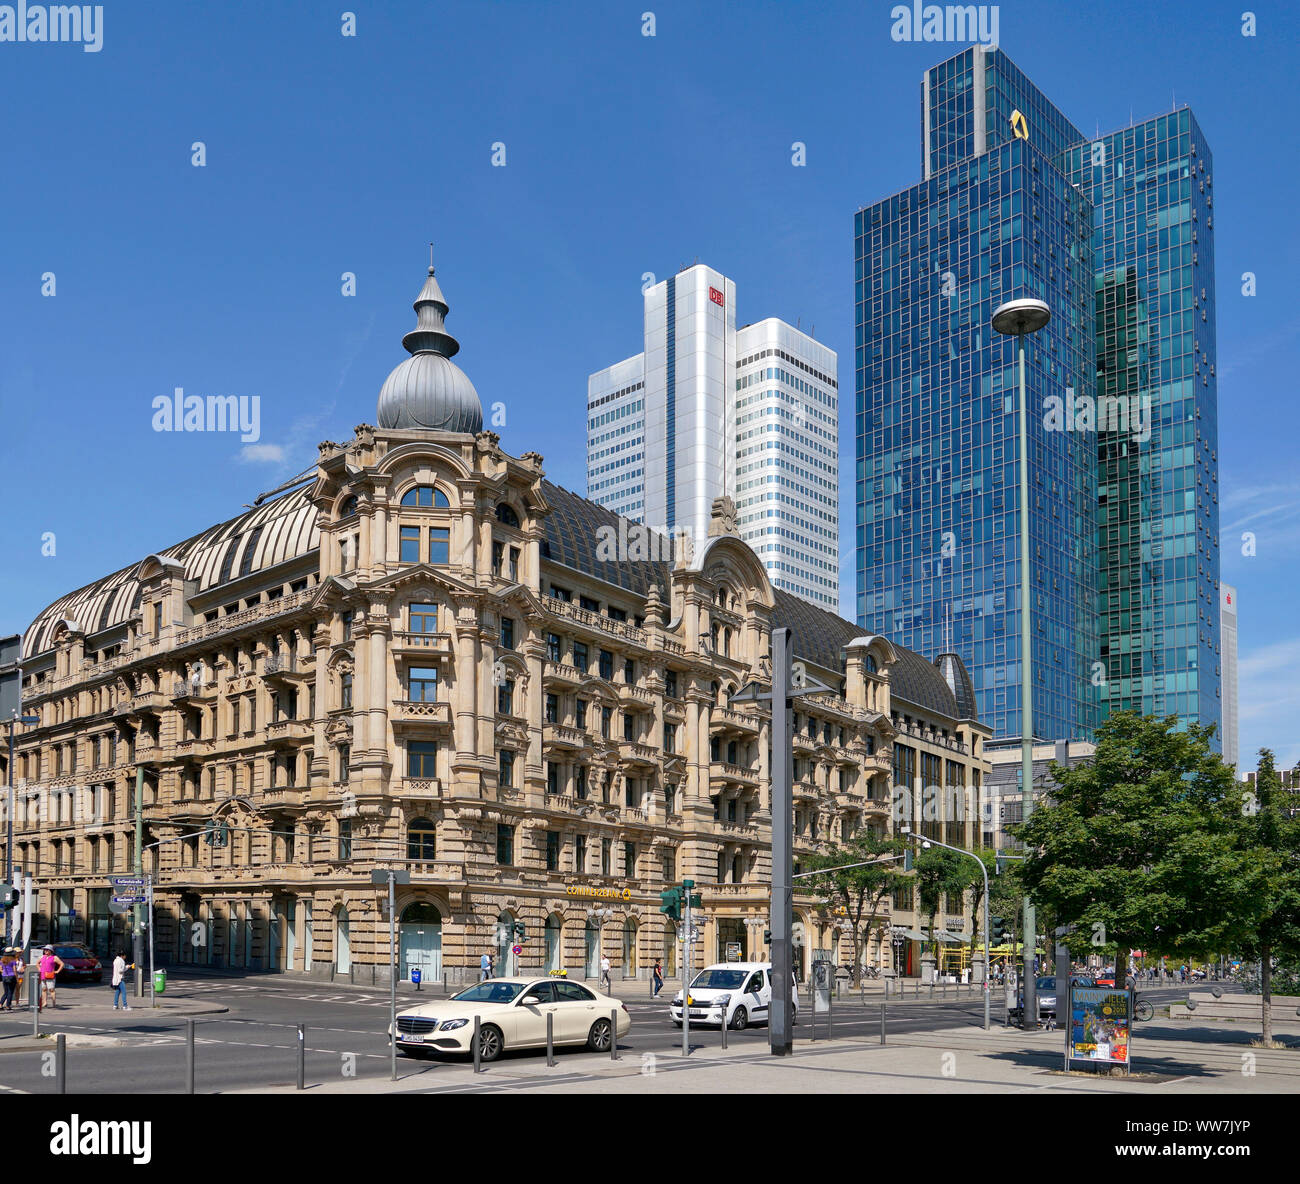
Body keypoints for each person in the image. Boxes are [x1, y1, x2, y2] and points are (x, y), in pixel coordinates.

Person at [38, 945, 65, 1010]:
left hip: (50, 975)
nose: (45, 951)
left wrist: (57, 971)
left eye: (47, 950)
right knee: (44, 989)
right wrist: (39, 969)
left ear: (50, 951)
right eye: (45, 950)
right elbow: (37, 963)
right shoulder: (42, 957)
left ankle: (54, 1003)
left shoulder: (54, 957)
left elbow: (62, 964)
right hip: (43, 975)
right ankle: (44, 1003)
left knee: (51, 989)